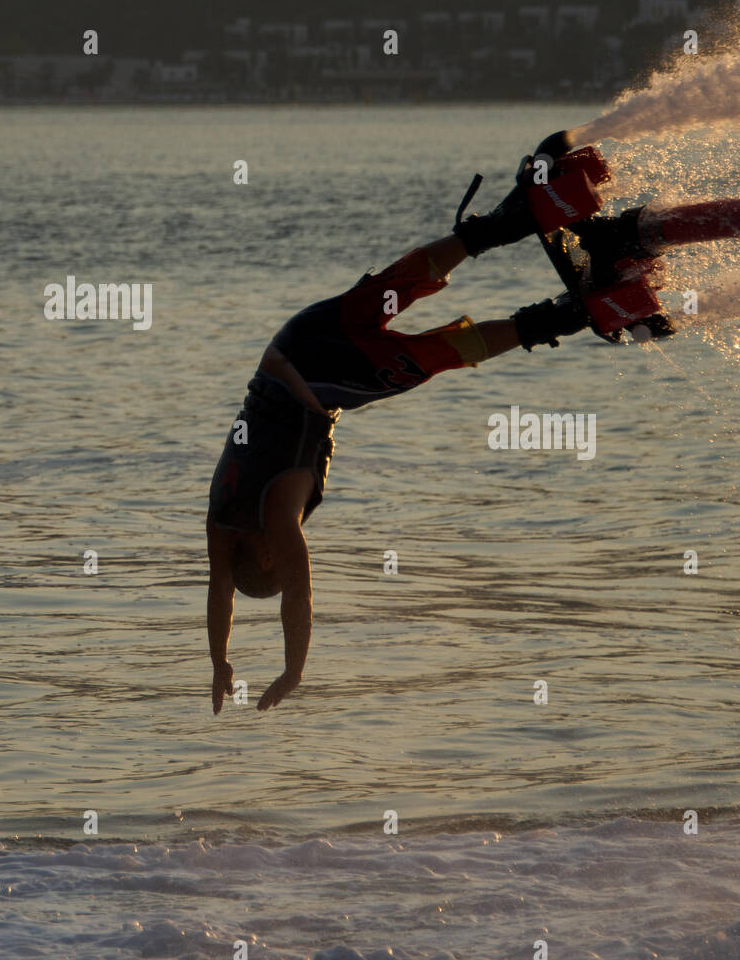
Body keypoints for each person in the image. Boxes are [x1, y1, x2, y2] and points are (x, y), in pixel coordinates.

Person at [206, 180, 588, 714]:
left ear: (267, 557)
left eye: (277, 564)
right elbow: (219, 588)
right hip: (295, 338)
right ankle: (506, 221)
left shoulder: (276, 516)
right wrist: (218, 659)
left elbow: (297, 593)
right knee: (393, 287)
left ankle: (562, 316)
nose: (286, 561)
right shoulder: (220, 520)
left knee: (435, 354)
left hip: (318, 378)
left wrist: (294, 670)